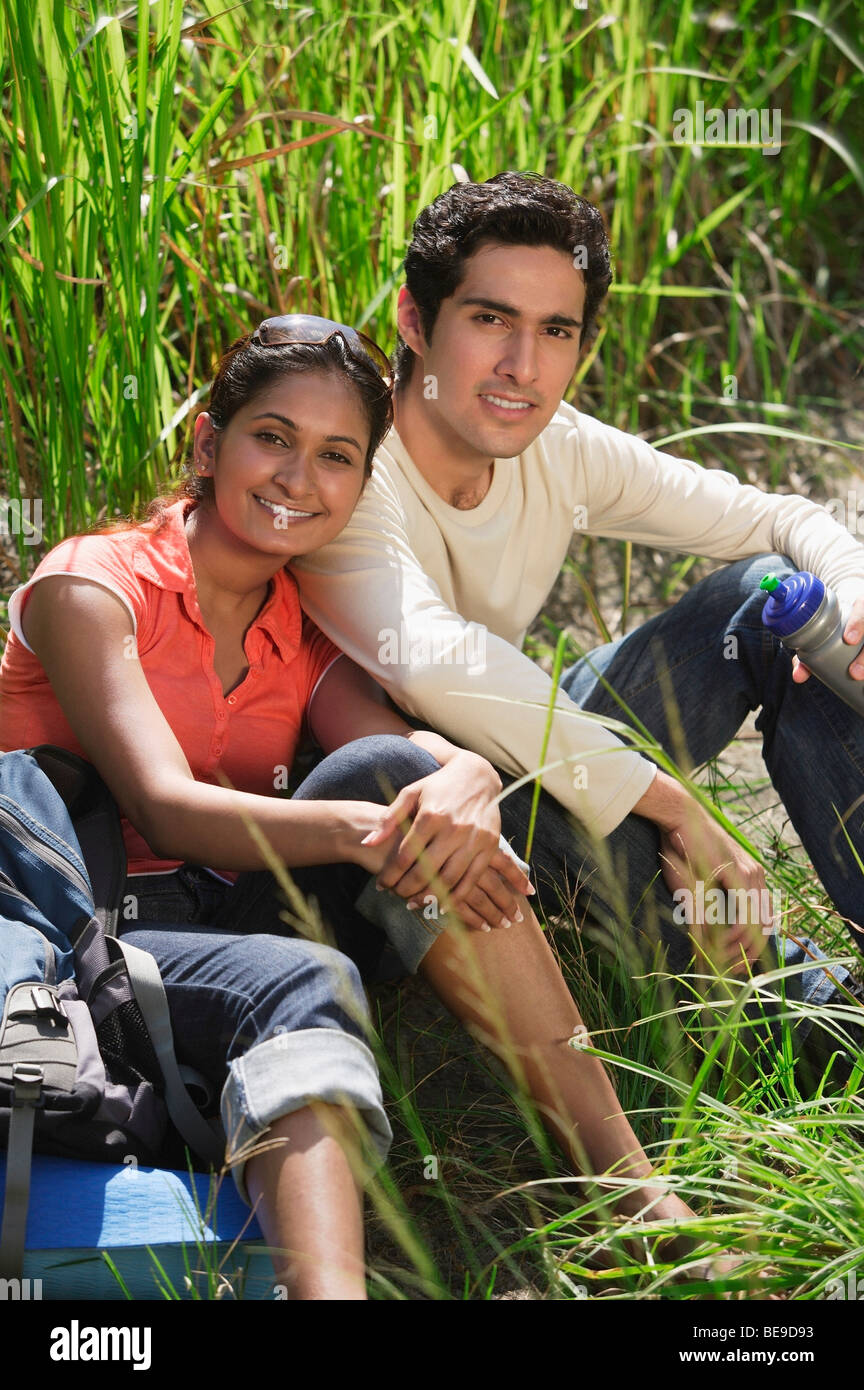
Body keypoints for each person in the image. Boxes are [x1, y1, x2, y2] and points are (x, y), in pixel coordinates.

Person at [0, 317, 731, 1301]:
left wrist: (465, 777)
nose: (299, 476)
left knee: (401, 773)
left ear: (359, 483)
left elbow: (392, 752)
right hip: (96, 938)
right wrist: (383, 826)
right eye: (273, 437)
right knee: (353, 873)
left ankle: (629, 1187)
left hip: (239, 914)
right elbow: (167, 810)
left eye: (337, 456)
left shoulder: (296, 620)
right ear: (210, 447)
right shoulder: (93, 585)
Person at [292, 172, 864, 1071]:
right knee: (607, 805)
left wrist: (851, 587)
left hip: (527, 749)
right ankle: (818, 1020)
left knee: (770, 599)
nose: (524, 364)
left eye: (555, 331)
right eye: (489, 320)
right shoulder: (349, 463)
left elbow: (774, 518)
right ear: (413, 320)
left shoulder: (555, 446)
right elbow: (436, 666)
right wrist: (677, 805)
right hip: (420, 804)